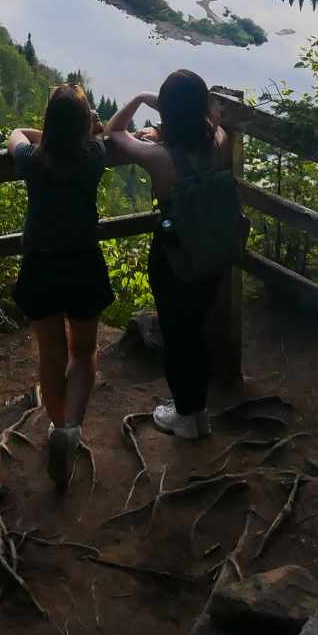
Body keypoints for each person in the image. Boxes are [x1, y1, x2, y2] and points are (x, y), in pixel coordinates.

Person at [104, 69, 230, 439]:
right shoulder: (219, 141)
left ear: (169, 112)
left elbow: (113, 131)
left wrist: (142, 97)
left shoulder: (160, 159)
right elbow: (205, 123)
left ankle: (186, 418)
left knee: (177, 335)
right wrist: (175, 115)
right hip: (213, 250)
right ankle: (199, 411)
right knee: (198, 328)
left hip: (175, 257)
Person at [7, 82, 112, 490]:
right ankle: (70, 430)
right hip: (83, 262)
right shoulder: (93, 156)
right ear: (84, 125)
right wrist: (90, 130)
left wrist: (39, 133)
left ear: (50, 123)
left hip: (41, 265)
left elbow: (14, 135)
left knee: (51, 354)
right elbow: (94, 141)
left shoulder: (34, 161)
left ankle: (56, 427)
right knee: (83, 352)